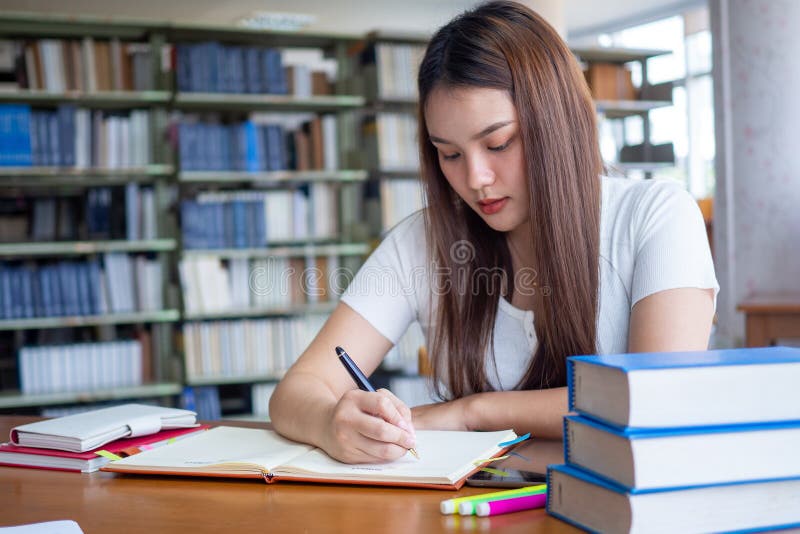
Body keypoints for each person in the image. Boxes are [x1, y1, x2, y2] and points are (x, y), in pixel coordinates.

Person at [269, 0, 718, 464]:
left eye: (498, 143)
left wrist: (472, 413)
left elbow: (655, 400)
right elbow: (296, 392)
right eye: (450, 154)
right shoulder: (423, 241)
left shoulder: (657, 216)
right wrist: (330, 422)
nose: (476, 178)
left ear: (555, 122)